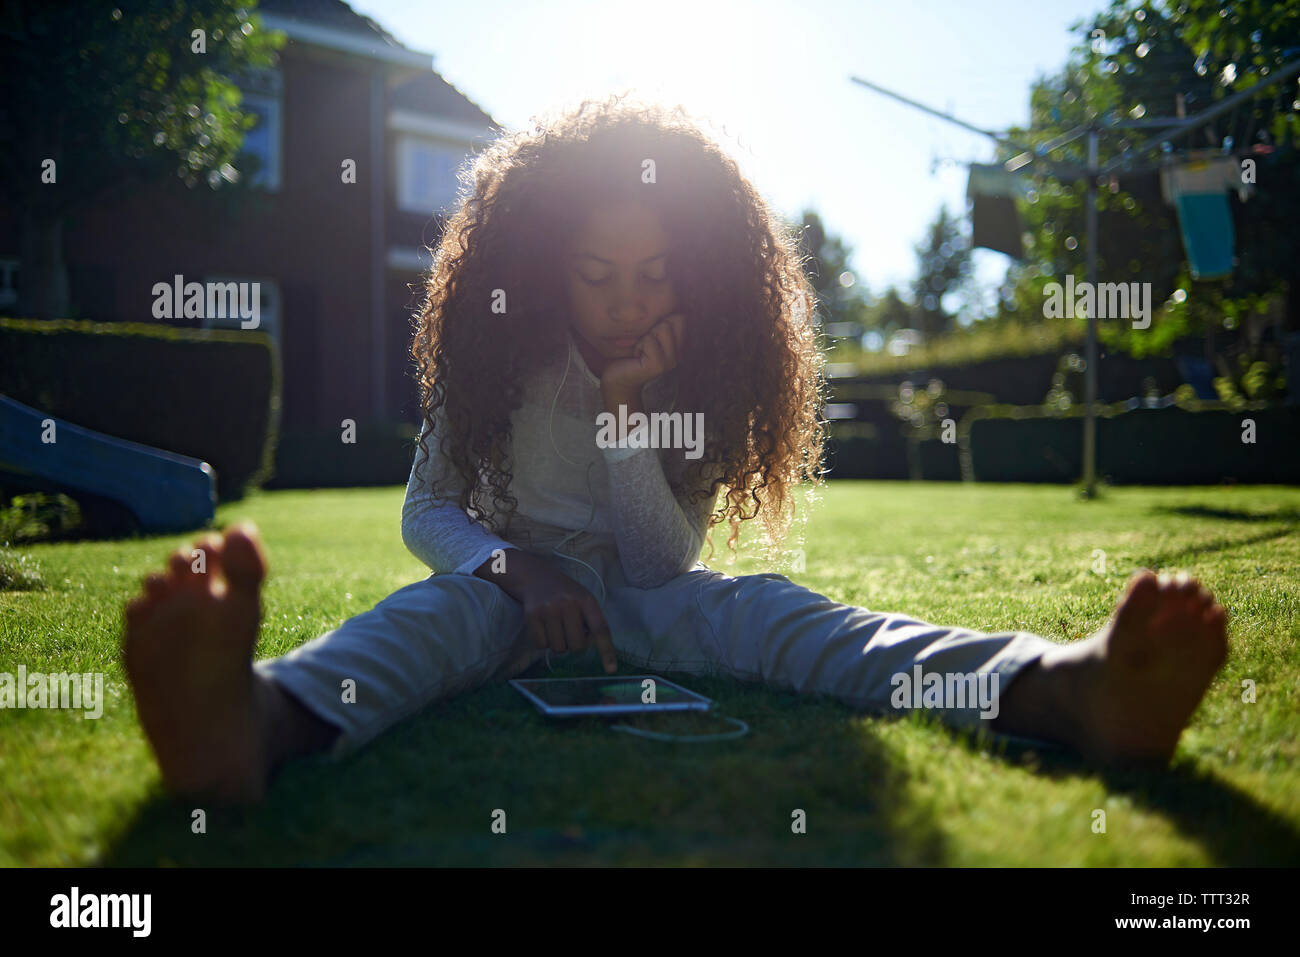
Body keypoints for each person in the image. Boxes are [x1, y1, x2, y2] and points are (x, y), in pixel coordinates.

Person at [122, 96, 1228, 804]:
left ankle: (1058, 690)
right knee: (424, 622)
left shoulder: (694, 365)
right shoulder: (490, 354)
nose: (624, 301)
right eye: (596, 275)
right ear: (548, 262)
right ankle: (259, 720)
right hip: (505, 591)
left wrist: (623, 412)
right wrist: (515, 568)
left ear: (693, 268)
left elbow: (657, 567)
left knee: (785, 616)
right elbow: (428, 513)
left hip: (648, 596)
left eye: (653, 274)